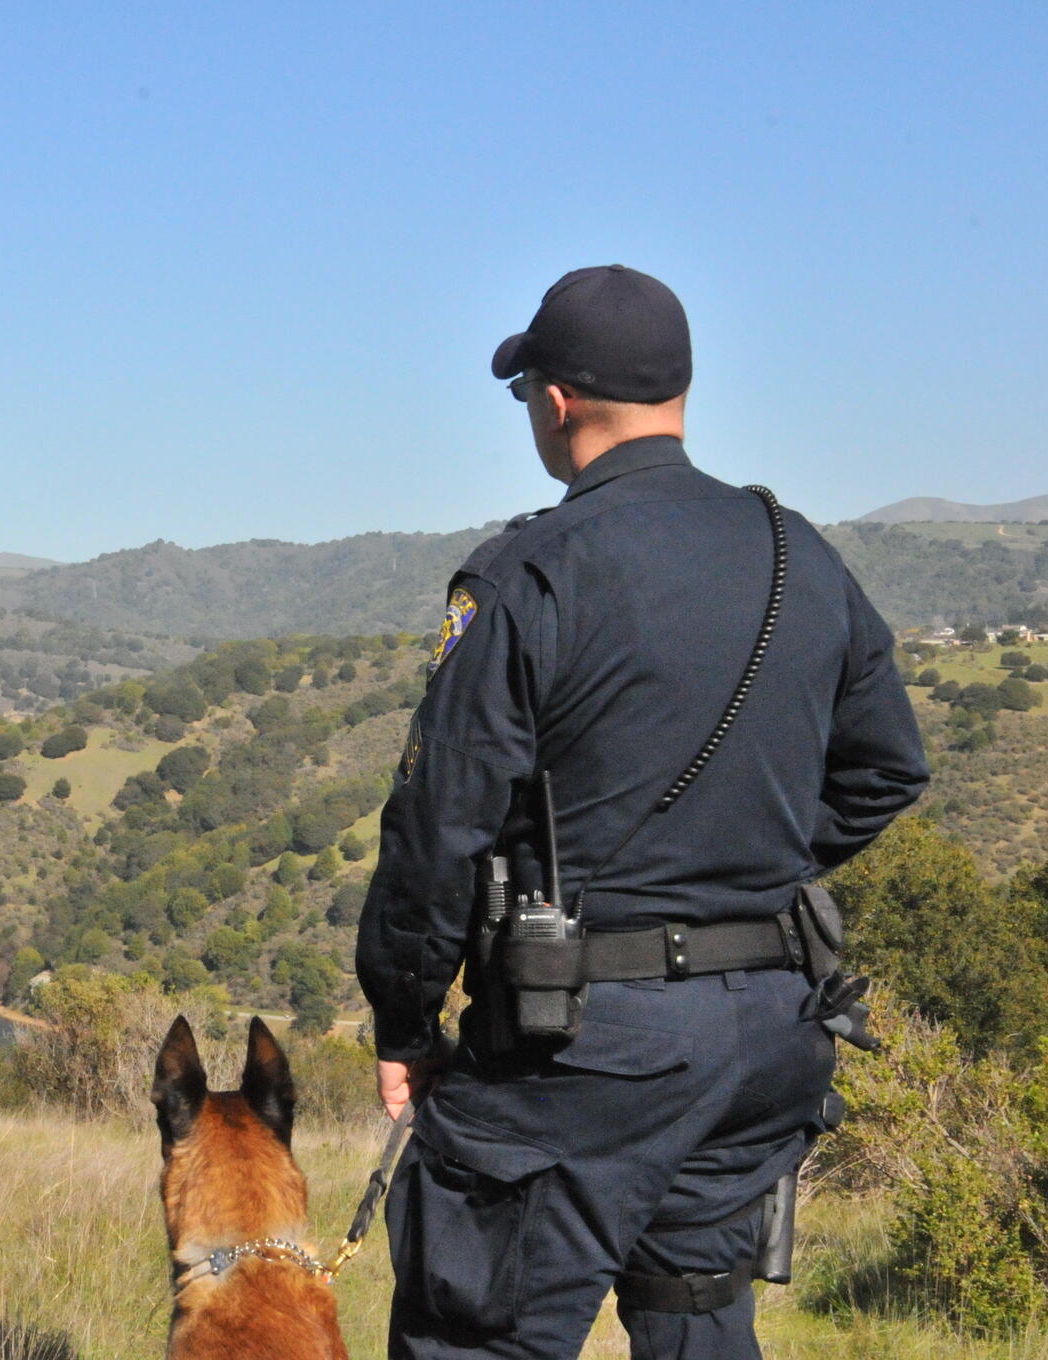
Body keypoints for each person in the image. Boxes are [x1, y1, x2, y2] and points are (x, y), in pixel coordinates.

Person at [353, 265, 928, 1359]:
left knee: (472, 1332)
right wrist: (738, 867)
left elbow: (437, 827)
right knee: (696, 1325)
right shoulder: (796, 552)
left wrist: (403, 1019)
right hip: (765, 1034)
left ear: (553, 399)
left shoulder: (530, 572)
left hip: (581, 1043)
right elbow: (887, 768)